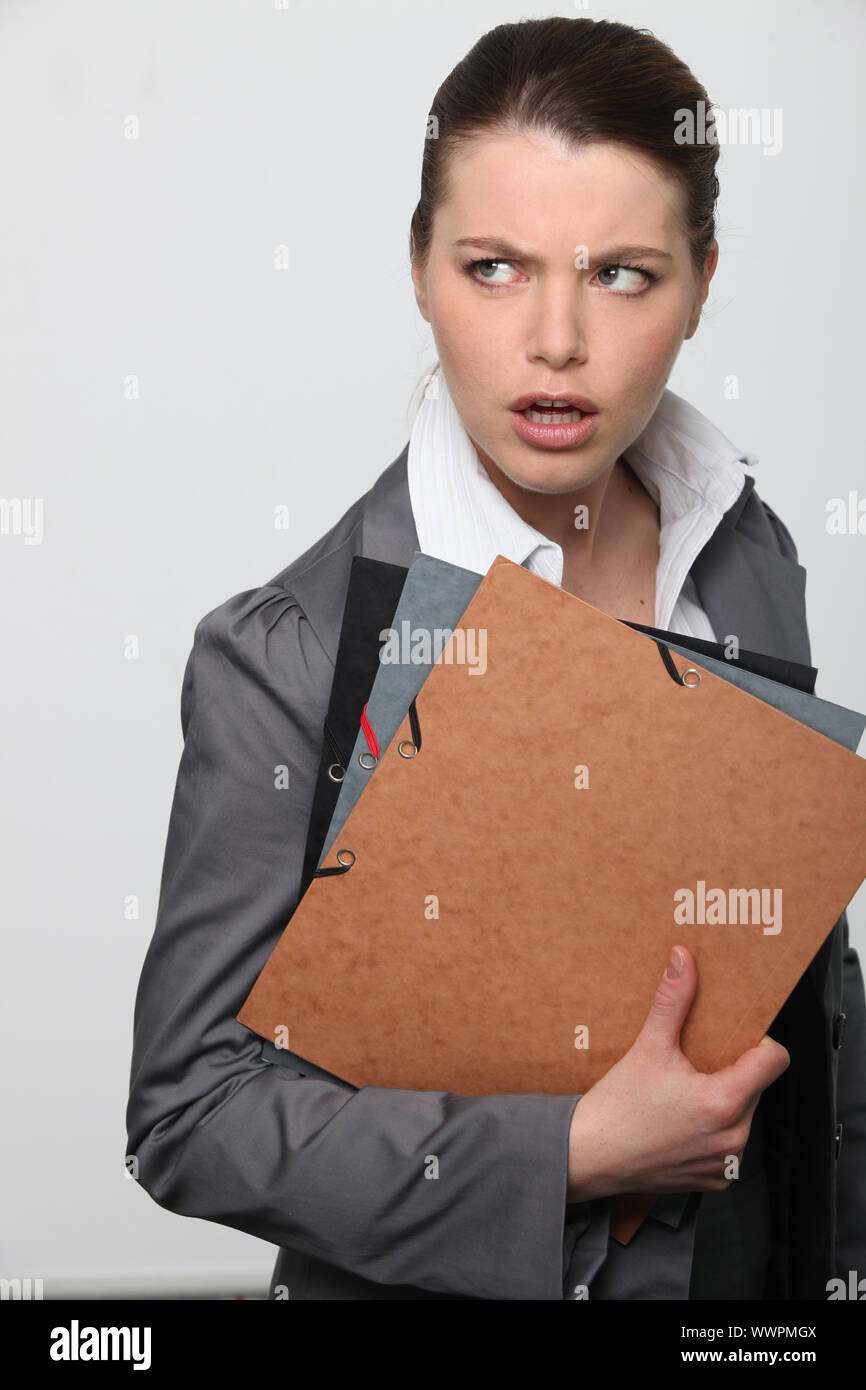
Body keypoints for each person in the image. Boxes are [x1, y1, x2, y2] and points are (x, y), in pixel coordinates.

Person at [126, 15, 866, 1300]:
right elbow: (188, 1111)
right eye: (494, 268)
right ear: (418, 268)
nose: (555, 341)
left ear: (701, 279)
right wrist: (566, 1152)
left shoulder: (746, 553)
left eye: (622, 273)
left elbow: (801, 966)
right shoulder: (291, 655)